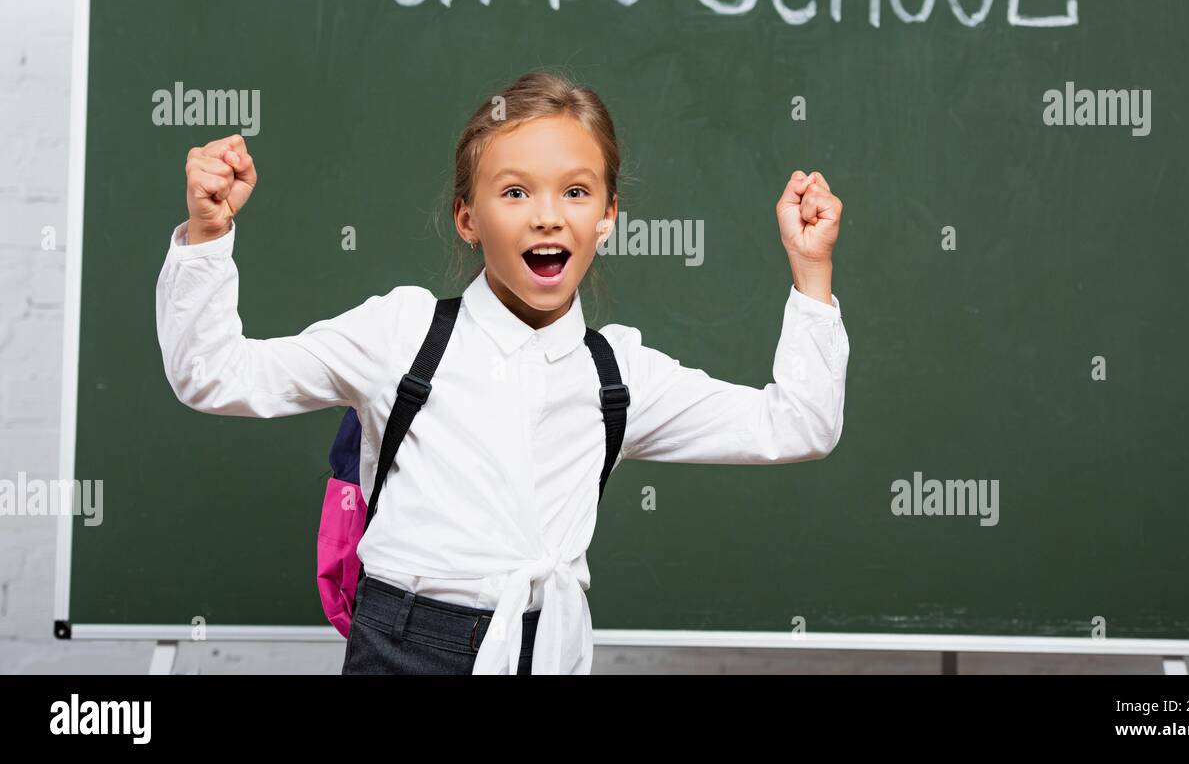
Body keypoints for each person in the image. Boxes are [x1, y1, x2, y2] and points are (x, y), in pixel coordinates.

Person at [155, 69, 849, 674]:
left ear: (609, 215)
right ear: (467, 215)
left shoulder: (619, 375)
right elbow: (212, 373)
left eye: (576, 192)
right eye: (515, 193)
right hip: (404, 646)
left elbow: (798, 424)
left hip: (542, 644)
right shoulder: (402, 333)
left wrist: (811, 270)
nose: (548, 217)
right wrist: (210, 237)